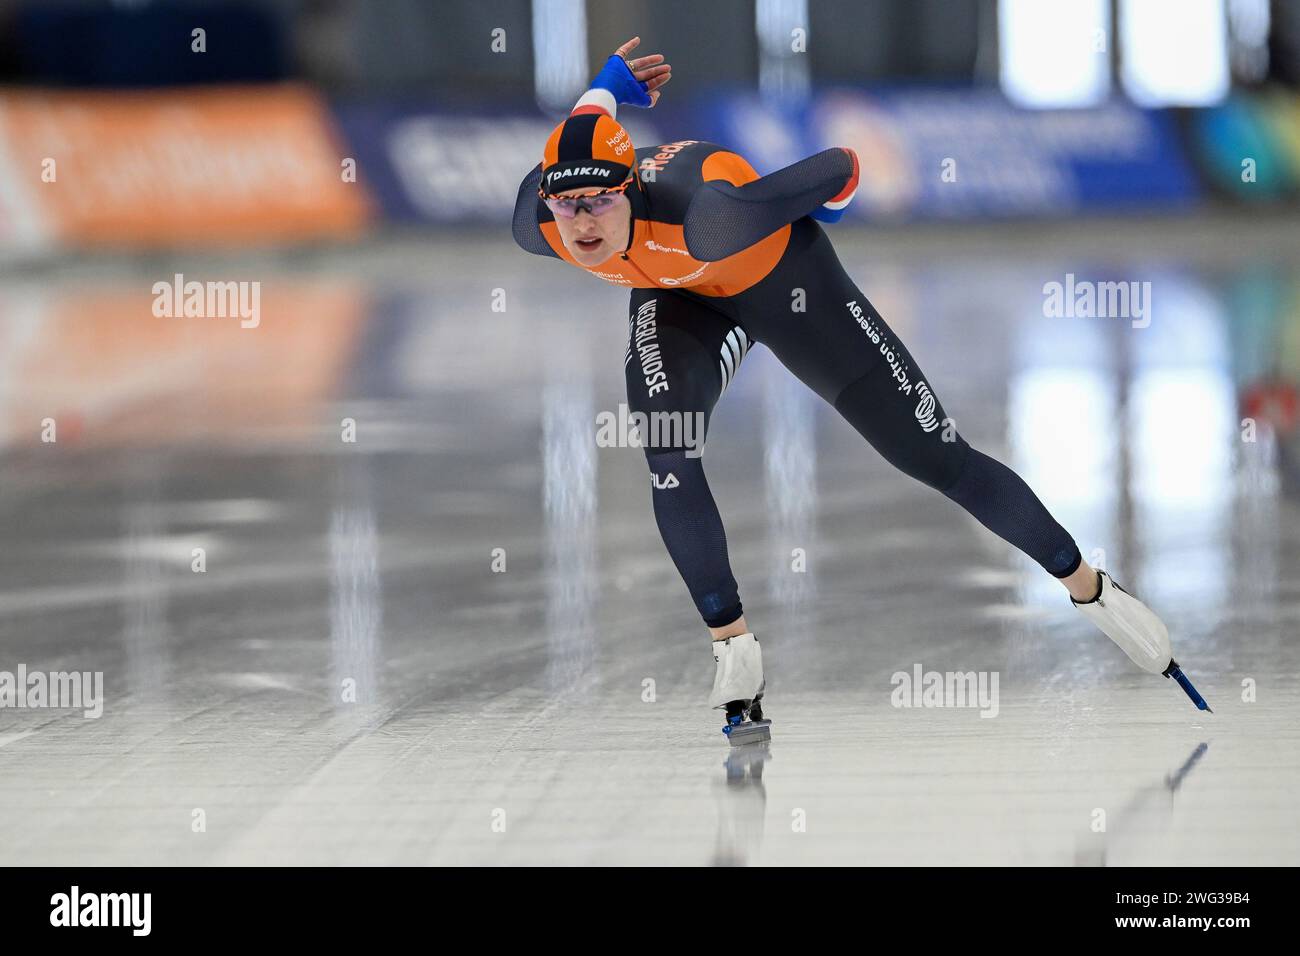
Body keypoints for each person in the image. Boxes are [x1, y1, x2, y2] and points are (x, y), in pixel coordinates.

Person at [512, 38, 1210, 741]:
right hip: (675, 297)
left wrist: (837, 205)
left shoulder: (712, 217)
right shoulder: (540, 224)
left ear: (629, 187)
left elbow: (839, 167)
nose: (581, 222)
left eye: (598, 200)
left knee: (935, 458)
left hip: (783, 286)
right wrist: (604, 85)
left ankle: (1090, 587)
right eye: (565, 204)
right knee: (667, 447)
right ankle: (734, 649)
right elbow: (578, 144)